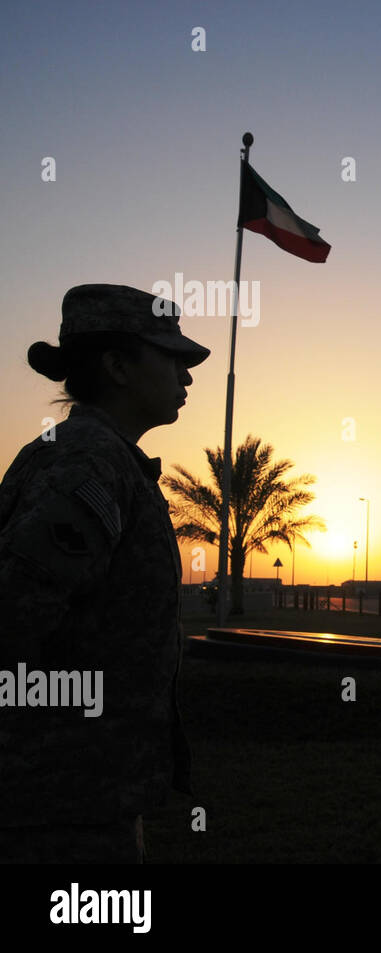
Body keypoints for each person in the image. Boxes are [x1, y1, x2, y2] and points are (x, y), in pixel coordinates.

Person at [0, 283, 208, 863]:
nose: (186, 377)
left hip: (84, 792)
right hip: (56, 803)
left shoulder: (104, 458)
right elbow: (14, 614)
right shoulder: (89, 461)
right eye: (171, 358)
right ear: (118, 365)